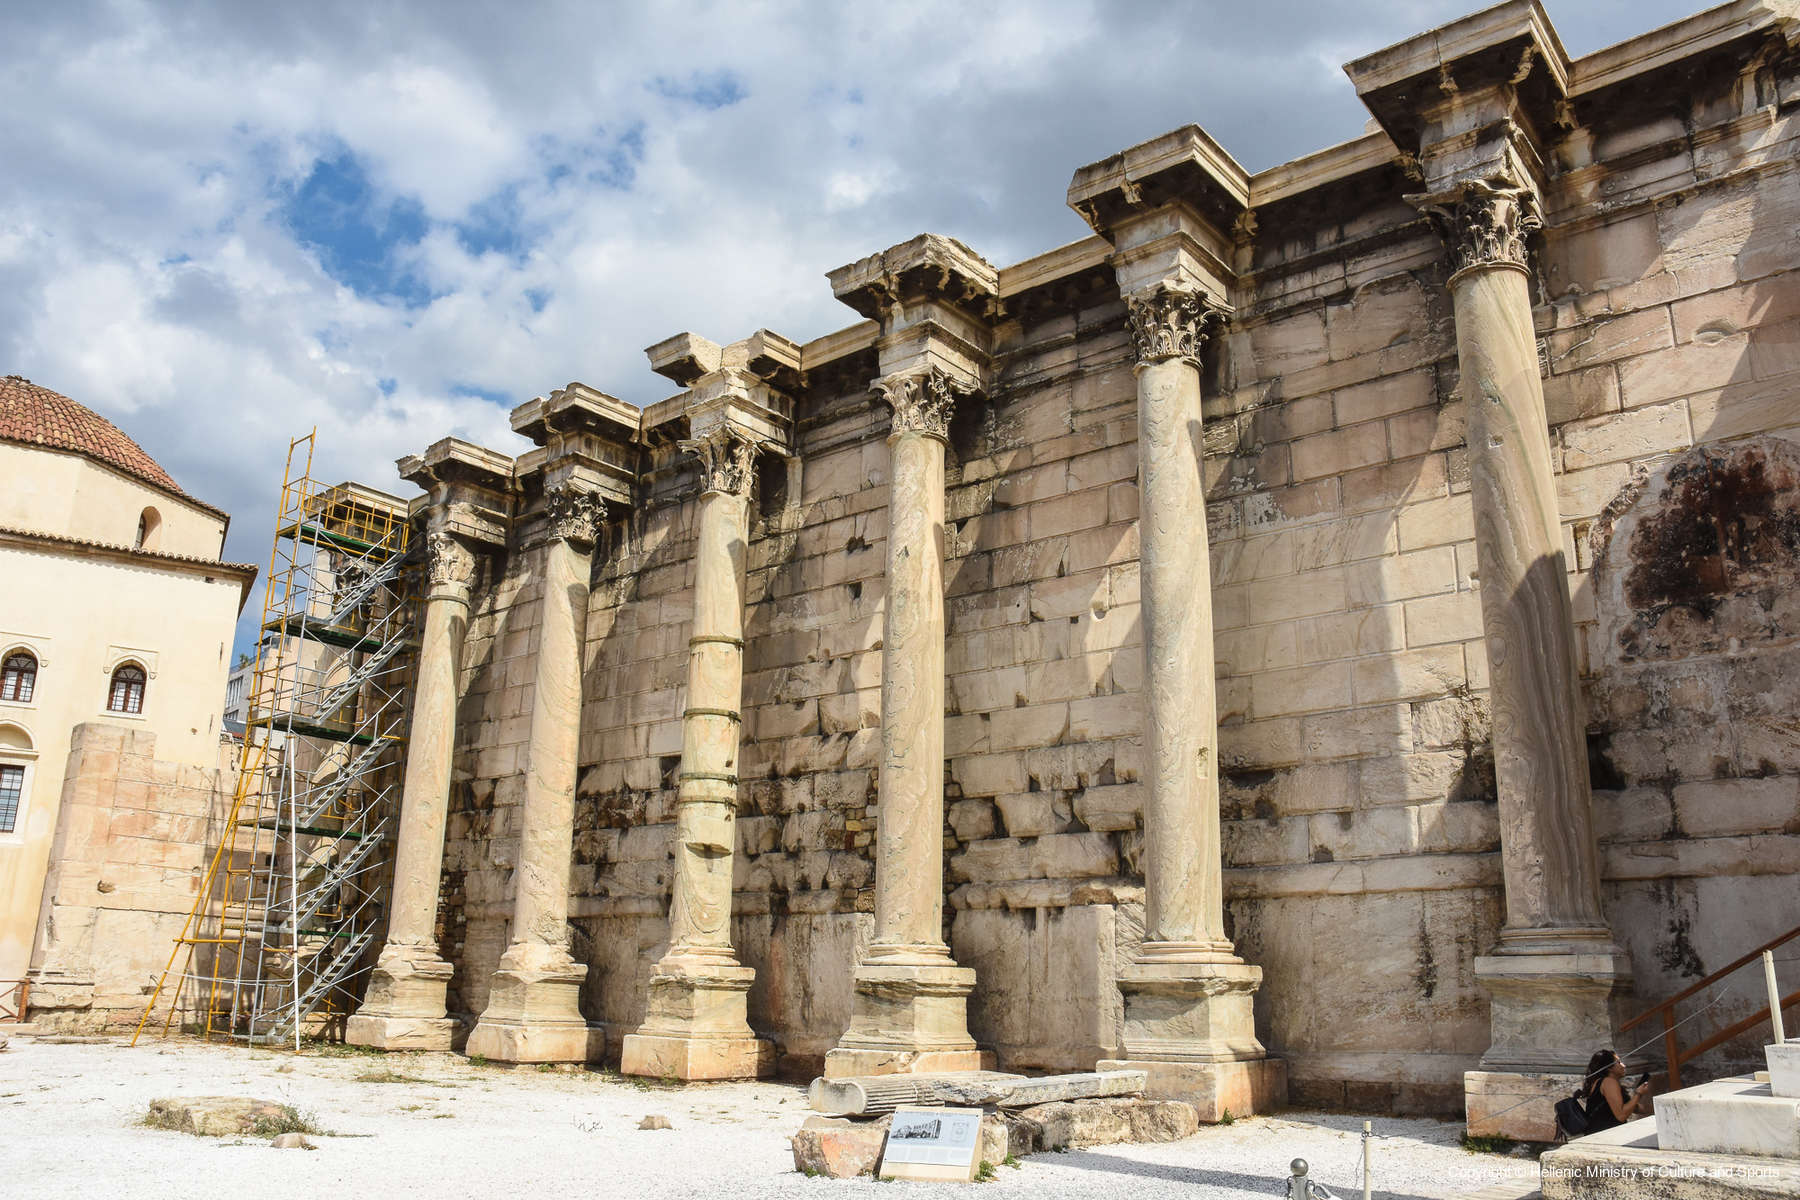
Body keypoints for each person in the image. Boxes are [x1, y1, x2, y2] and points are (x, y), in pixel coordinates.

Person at [1580, 1048, 1650, 1132]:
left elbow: (1635, 1108)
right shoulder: (1608, 1082)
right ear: (1609, 1068)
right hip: (1603, 1135)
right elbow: (1621, 1116)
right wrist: (1638, 1094)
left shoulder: (1604, 1082)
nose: (1624, 1065)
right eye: (1619, 1062)